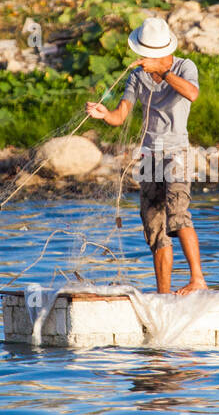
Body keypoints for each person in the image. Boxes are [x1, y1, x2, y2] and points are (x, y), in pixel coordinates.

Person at [85, 16, 207, 295]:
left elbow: (192, 94)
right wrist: (105, 115)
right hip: (149, 157)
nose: (142, 58)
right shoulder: (136, 76)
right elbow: (121, 114)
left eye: (148, 53)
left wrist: (163, 72)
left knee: (178, 214)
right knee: (154, 224)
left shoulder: (185, 67)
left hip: (177, 153)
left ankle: (198, 278)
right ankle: (163, 294)